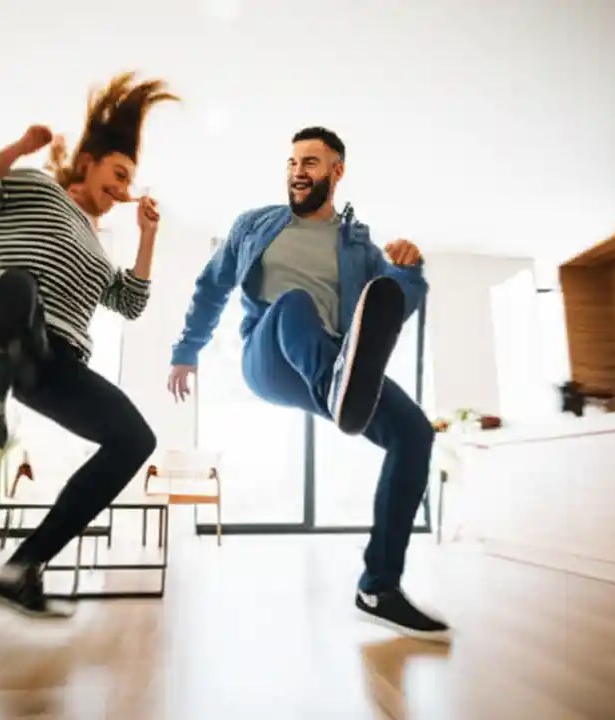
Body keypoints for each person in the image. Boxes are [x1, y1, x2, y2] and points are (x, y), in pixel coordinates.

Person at [167, 127, 448, 642]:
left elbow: (393, 306)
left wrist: (409, 272)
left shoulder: (359, 246)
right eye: (293, 161)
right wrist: (187, 351)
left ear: (336, 172)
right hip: (268, 355)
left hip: (337, 364)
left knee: (414, 433)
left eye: (312, 162)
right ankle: (337, 389)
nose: (298, 171)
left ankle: (379, 587)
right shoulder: (254, 225)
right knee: (294, 303)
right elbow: (211, 288)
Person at [0, 72, 177, 616]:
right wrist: (19, 149)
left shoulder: (96, 241)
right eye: (118, 173)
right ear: (86, 162)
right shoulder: (34, 187)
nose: (125, 188)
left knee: (136, 439)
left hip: (55, 365)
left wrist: (148, 236)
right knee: (19, 286)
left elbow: (131, 302)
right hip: (4, 318)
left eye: (132, 180)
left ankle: (24, 566)